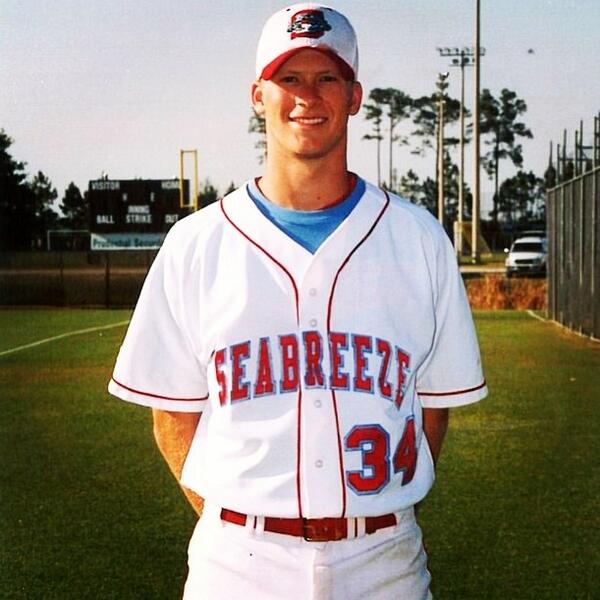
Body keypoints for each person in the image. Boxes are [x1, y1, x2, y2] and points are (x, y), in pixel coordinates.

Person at [109, 4, 488, 599]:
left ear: (354, 96)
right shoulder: (196, 243)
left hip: (384, 565)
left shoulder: (418, 238)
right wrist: (242, 527)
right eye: (288, 77)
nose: (307, 96)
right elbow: (172, 417)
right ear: (258, 96)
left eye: (326, 77)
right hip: (237, 567)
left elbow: (432, 411)